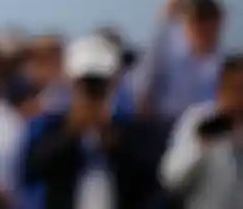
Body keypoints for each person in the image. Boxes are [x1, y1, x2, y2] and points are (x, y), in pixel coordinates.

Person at [22, 34, 164, 208]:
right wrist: (71, 132)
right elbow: (32, 171)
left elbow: (151, 179)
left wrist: (113, 141)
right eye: (85, 84)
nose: (92, 91)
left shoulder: (132, 128)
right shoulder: (49, 125)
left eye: (99, 84)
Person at [158, 53, 243, 209]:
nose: (238, 97)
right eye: (234, 88)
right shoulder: (198, 119)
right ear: (221, 88)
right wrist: (200, 144)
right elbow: (171, 180)